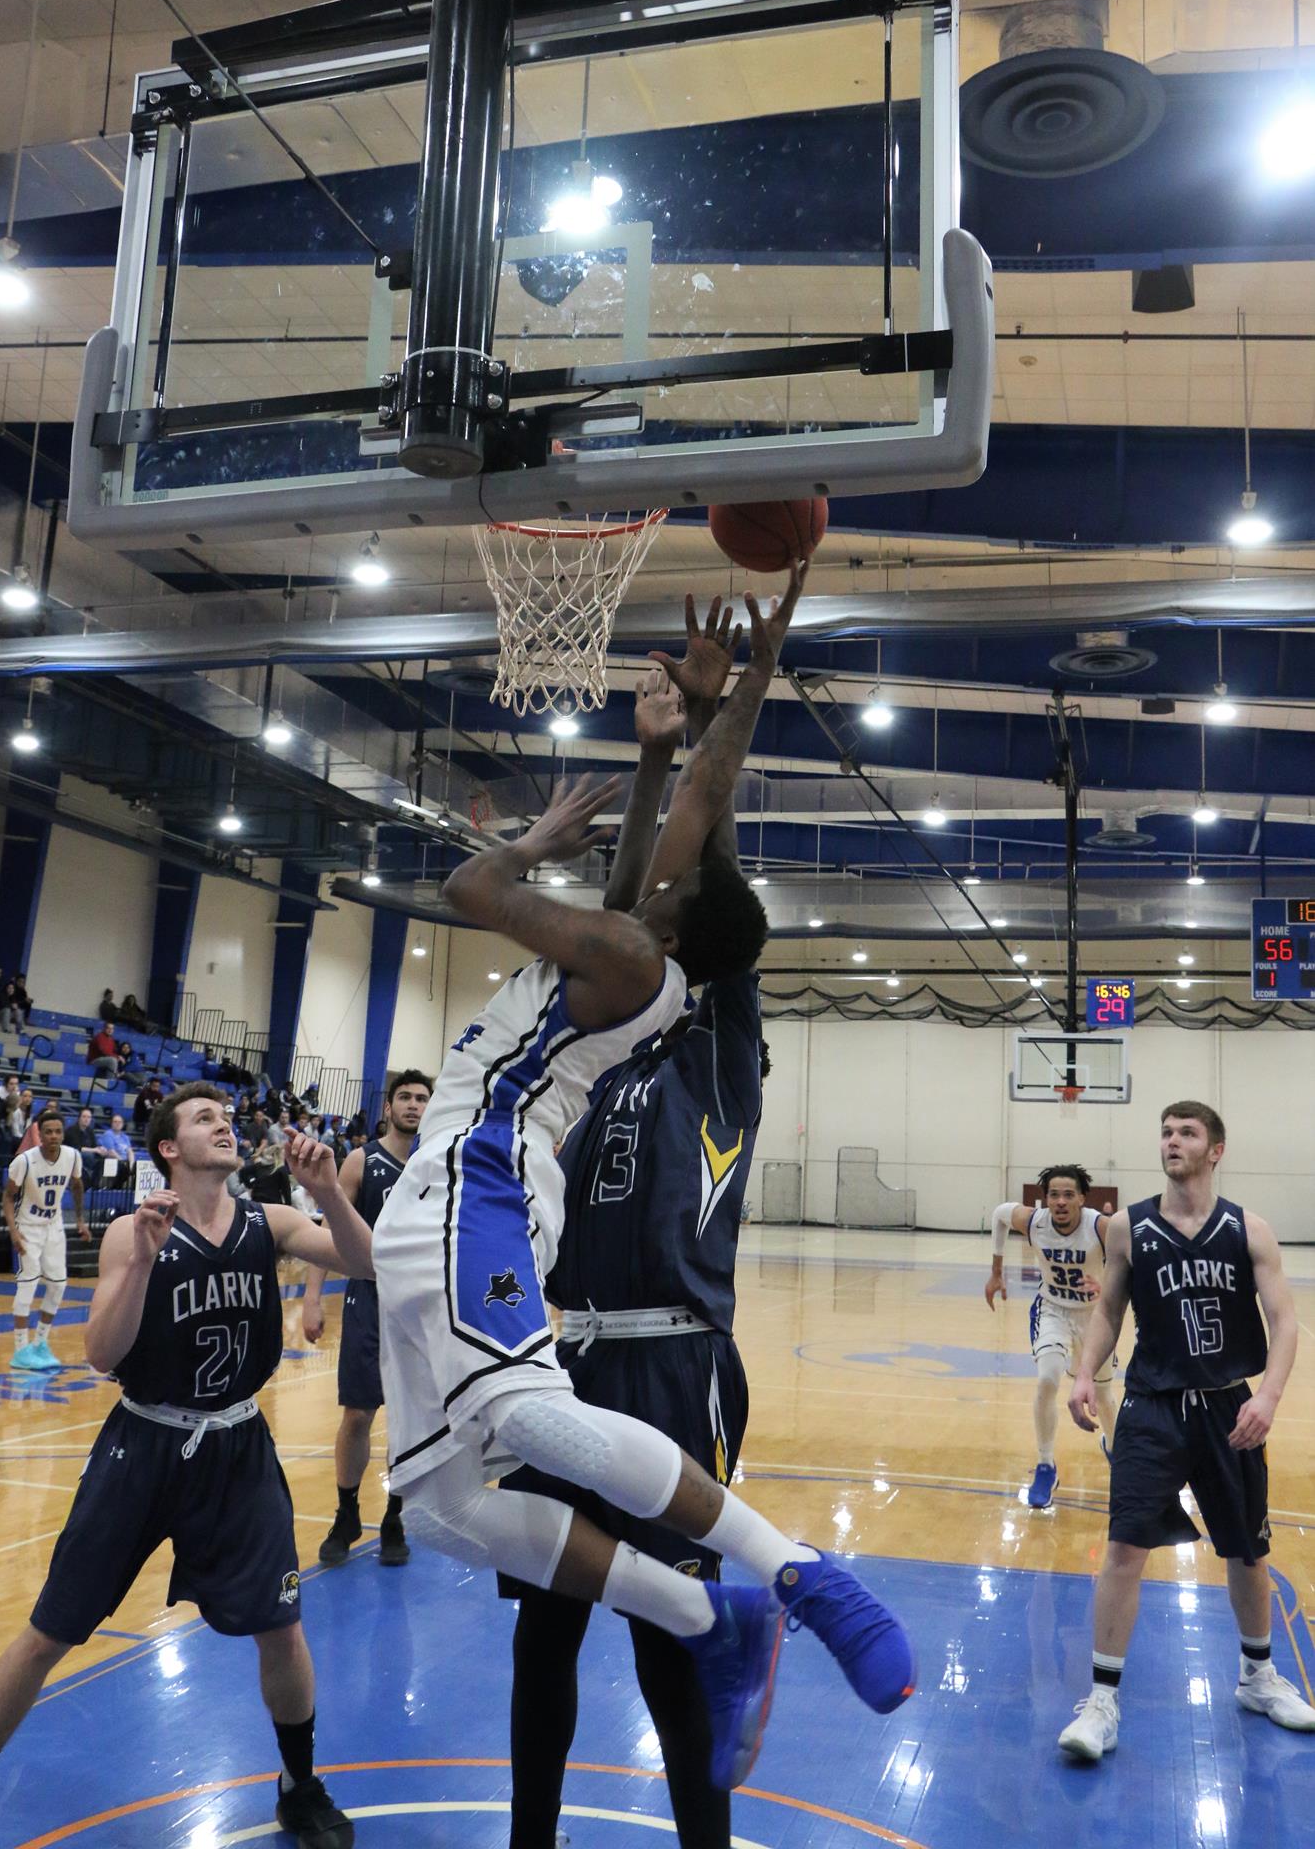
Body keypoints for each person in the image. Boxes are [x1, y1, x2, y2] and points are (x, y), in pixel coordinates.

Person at [374, 570, 914, 1796]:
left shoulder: (667, 988)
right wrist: (678, 739)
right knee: (456, 1514)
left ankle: (789, 1578)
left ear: (678, 927)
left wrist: (547, 830)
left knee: (529, 1437)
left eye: (659, 869)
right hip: (503, 1253)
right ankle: (701, 1619)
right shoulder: (612, 970)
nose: (647, 860)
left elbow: (574, 883)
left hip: (551, 1245)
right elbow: (656, 868)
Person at [500, 624, 769, 1849]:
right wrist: (652, 755)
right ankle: (531, 1838)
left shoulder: (721, 1043)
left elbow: (693, 856)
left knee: (670, 1629)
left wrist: (725, 714)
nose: (645, 905)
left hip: (672, 1366)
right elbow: (624, 904)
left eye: (671, 902)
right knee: (544, 1626)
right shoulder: (609, 1029)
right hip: (570, 1356)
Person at [0, 1083, 376, 1846]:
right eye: (204, 1119)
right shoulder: (138, 1229)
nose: (223, 1124)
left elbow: (365, 1264)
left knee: (282, 1628)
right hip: (145, 1444)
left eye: (226, 1118)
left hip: (237, 1446)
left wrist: (329, 1187)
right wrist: (139, 1268)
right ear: (169, 1147)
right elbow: (100, 1354)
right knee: (47, 1633)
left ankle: (299, 1784)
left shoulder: (275, 1220)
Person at [1058, 1100, 1313, 1763]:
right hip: (1151, 1404)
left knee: (1246, 1552)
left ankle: (1257, 1677)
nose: (1172, 1141)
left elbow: (1285, 1324)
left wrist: (1269, 1397)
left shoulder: (1248, 1231)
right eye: (1165, 1132)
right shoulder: (1126, 1228)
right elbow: (1108, 1308)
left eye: (1187, 1132)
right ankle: (1102, 1701)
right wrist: (1086, 1374)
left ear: (1215, 1149)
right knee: (1122, 1548)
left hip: (1230, 1406)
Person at [302, 1070, 434, 1569]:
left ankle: (395, 1515)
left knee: (408, 1419)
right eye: (405, 1096)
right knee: (358, 1414)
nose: (413, 1105)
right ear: (388, 1106)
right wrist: (313, 1297)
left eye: (422, 1098)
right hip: (369, 1297)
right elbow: (327, 1229)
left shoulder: (436, 1163)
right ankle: (347, 1512)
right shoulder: (362, 1159)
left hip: (420, 1305)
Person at [985, 1164, 1117, 1508]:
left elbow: (1131, 1265)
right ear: (1045, 1199)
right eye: (1054, 1195)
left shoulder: (1100, 1227)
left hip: (1095, 1317)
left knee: (1102, 1396)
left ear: (1082, 1199)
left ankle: (1115, 1448)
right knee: (1047, 1379)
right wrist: (996, 1272)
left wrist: (1106, 1288)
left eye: (1068, 1195)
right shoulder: (1034, 1221)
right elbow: (1000, 1215)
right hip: (1052, 1309)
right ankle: (1046, 1465)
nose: (1060, 1201)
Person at [3, 1111, 90, 1373]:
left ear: (63, 1133)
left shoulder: (73, 1156)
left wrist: (80, 1220)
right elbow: (8, 1197)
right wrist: (14, 1232)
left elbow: (77, 1185)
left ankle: (41, 1343)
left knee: (58, 1285)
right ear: (39, 1134)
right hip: (28, 1227)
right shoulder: (25, 1161)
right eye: (48, 1131)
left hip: (54, 1226)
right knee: (27, 1285)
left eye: (58, 1131)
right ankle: (20, 1350)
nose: (53, 1136)